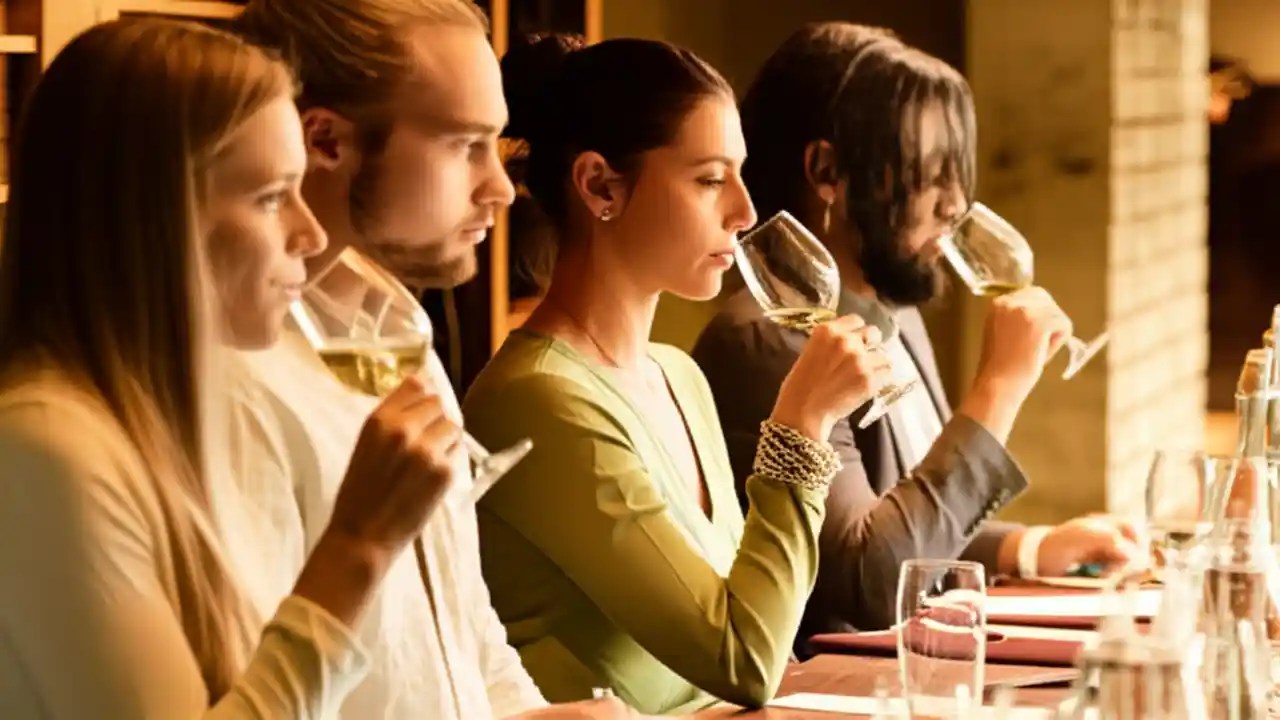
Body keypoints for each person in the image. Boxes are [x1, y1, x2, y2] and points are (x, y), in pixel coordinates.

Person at [0, 17, 464, 717]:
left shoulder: (166, 425)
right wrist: (359, 545)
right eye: (272, 196)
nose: (309, 235)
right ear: (155, 216)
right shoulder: (45, 447)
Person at [233, 2, 652, 718]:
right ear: (326, 140)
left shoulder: (398, 335)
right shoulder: (237, 384)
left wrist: (530, 715)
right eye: (467, 145)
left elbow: (462, 624)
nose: (499, 185)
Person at [462, 34, 895, 715]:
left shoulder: (678, 375)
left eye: (741, 174)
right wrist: (800, 426)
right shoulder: (537, 400)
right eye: (710, 179)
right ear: (600, 185)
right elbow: (743, 659)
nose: (746, 212)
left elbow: (768, 638)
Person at [692, 22, 1141, 641]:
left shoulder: (894, 317)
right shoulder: (768, 343)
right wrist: (999, 388)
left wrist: (1033, 548)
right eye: (930, 173)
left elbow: (909, 522)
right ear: (827, 171)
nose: (955, 204)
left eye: (957, 175)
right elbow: (871, 580)